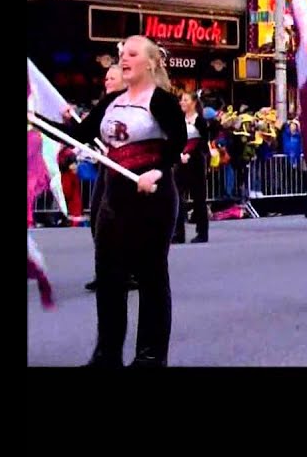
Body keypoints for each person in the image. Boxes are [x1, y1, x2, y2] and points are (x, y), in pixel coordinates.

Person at [35, 36, 185, 366]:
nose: (124, 59)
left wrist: (157, 173)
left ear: (150, 62)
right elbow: (80, 133)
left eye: (132, 54)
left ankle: (150, 355)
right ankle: (107, 353)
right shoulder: (112, 101)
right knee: (109, 277)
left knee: (151, 277)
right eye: (122, 54)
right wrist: (37, 119)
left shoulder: (161, 101)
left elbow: (177, 145)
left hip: (152, 197)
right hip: (114, 197)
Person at [85, 65, 130, 292]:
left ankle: (127, 271)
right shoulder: (106, 104)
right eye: (105, 78)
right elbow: (84, 132)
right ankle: (105, 270)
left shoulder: (133, 102)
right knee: (97, 217)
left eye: (111, 78)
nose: (107, 81)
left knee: (122, 221)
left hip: (127, 167)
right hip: (107, 165)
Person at [172, 91, 211, 244]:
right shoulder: (178, 120)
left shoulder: (200, 121)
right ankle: (178, 232)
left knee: (199, 199)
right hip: (181, 163)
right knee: (177, 197)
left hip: (196, 163)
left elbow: (203, 143)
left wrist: (191, 153)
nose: (182, 102)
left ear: (193, 103)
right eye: (181, 100)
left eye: (185, 100)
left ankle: (202, 232)